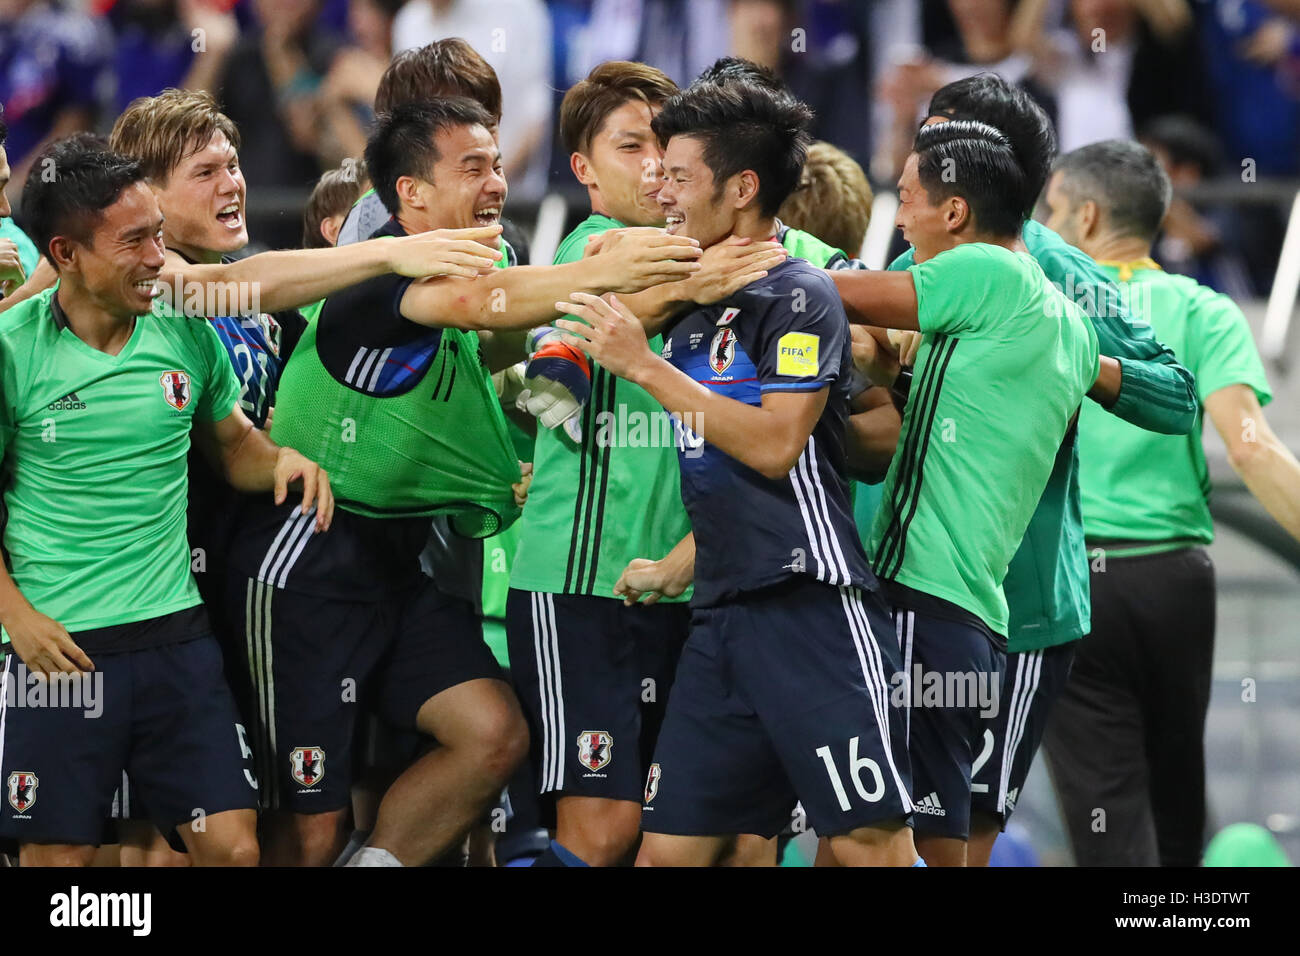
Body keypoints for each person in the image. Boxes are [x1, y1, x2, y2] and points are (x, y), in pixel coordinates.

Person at [223, 98, 703, 867]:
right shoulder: (384, 273)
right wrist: (608, 269)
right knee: (307, 829)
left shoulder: (486, 264)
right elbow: (481, 306)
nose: (495, 183)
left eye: (499, 163)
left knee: (493, 734)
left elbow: (493, 344)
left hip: (398, 564)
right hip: (306, 563)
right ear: (411, 194)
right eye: (471, 167)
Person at [557, 79, 919, 868]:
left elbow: (774, 447)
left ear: (742, 187)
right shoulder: (691, 287)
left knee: (870, 850)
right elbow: (567, 360)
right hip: (720, 616)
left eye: (680, 176)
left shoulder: (801, 293)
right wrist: (675, 566)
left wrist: (646, 370)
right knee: (667, 855)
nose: (662, 189)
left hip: (811, 607)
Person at [870, 72, 1199, 868]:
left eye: (939, 139)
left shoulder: (1055, 270)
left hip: (1018, 603)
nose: (918, 162)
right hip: (903, 580)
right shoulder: (914, 243)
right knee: (873, 826)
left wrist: (1064, 359)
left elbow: (1178, 396)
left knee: (962, 833)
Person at [0, 135, 330, 867]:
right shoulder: (11, 350)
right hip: (60, 647)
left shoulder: (181, 327)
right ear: (66, 253)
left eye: (157, 234)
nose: (158, 258)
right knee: (60, 864)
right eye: (134, 242)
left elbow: (234, 446)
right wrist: (15, 617)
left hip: (175, 635)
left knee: (234, 851)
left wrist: (286, 460)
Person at [507, 59, 785, 868]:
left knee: (703, 835)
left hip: (691, 589)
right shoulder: (591, 246)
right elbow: (646, 279)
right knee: (603, 833)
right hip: (582, 584)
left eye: (669, 146)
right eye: (632, 147)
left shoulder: (724, 254)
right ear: (584, 170)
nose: (656, 165)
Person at [829, 119, 1100, 867]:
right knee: (928, 845)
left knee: (866, 842)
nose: (903, 217)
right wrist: (893, 371)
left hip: (917, 601)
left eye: (910, 198)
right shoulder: (1069, 326)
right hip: (972, 622)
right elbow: (971, 413)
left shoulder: (986, 273)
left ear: (955, 214)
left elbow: (834, 290)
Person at [1040, 139, 1300, 866]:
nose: (1043, 227)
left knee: (1109, 817)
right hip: (1177, 583)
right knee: (1178, 810)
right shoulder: (1203, 311)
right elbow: (1250, 446)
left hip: (1075, 584)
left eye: (1051, 210)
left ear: (1086, 218)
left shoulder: (1045, 309)